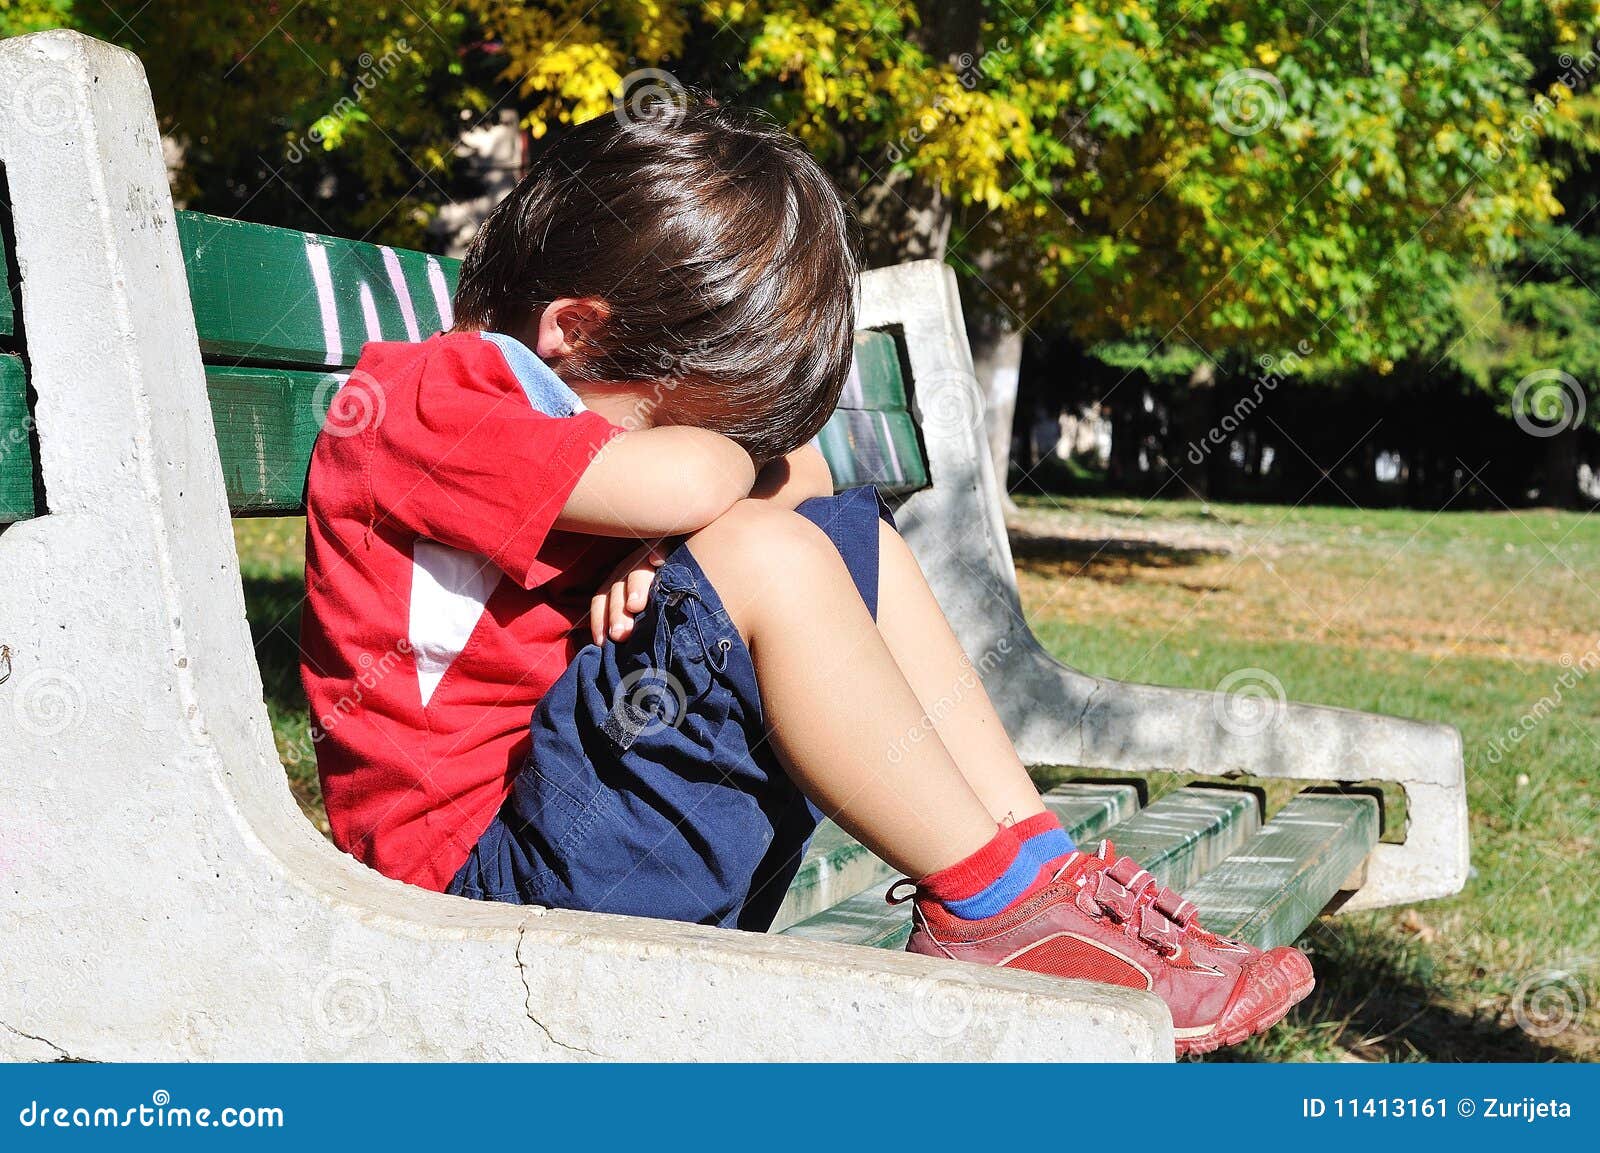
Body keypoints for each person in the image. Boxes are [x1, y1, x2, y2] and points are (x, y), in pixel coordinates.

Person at [299, 97, 1312, 1055]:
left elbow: (803, 471)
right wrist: (697, 500)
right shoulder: (427, 399)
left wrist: (669, 526)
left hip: (570, 844)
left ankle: (1035, 875)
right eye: (682, 420)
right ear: (576, 330)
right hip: (471, 904)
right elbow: (704, 478)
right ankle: (993, 903)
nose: (710, 450)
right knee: (767, 552)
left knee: (847, 536)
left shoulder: (560, 399)